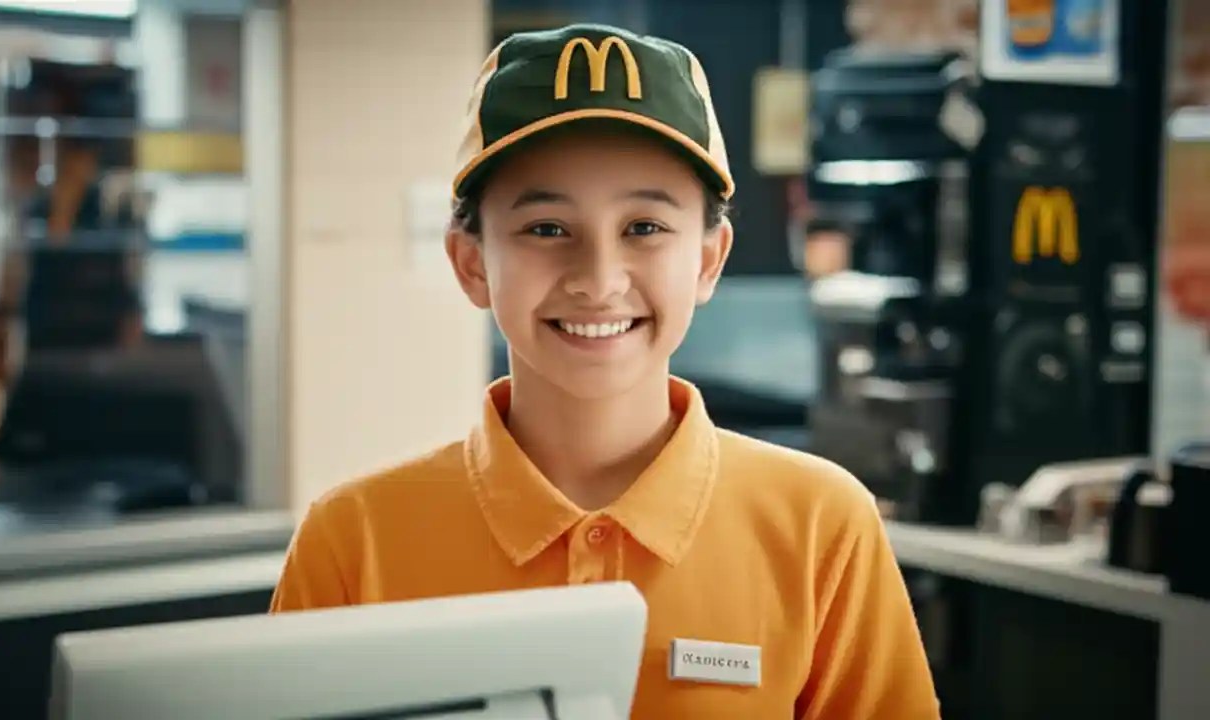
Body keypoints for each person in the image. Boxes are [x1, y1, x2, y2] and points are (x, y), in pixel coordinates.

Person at [271, 23, 940, 718]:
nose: (597, 280)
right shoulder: (355, 540)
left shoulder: (820, 529)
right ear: (472, 262)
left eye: (644, 227)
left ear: (708, 259)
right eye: (547, 229)